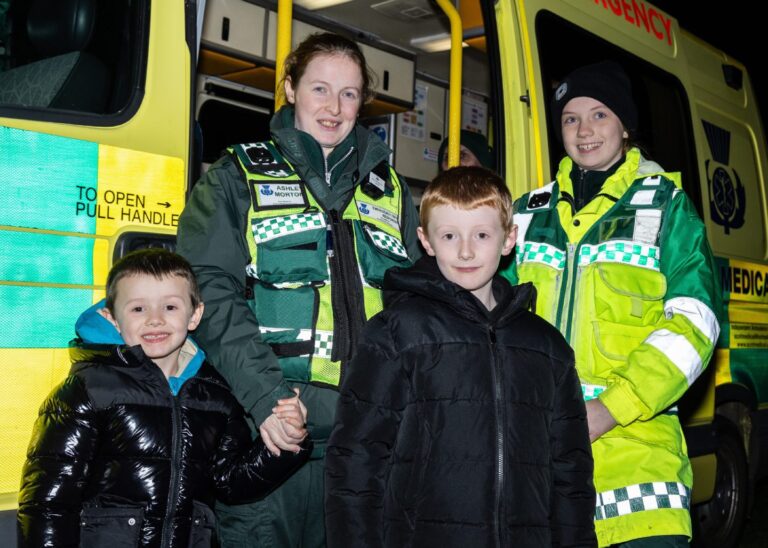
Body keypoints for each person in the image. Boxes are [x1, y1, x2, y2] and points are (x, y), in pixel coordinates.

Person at [177, 32, 421, 547]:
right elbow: (211, 295)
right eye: (320, 89)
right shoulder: (235, 176)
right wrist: (268, 399)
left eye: (350, 94)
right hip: (277, 430)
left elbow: (417, 305)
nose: (334, 108)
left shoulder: (393, 192)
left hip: (370, 437)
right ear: (289, 88)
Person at [501, 61, 720, 547]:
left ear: (625, 125)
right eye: (571, 118)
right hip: (539, 460)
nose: (584, 131)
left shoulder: (667, 207)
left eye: (600, 115)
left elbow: (696, 326)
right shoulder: (526, 212)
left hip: (638, 465)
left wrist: (609, 408)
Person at [325, 166, 596, 547]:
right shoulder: (396, 333)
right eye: (449, 235)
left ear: (509, 238)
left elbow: (572, 475)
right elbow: (356, 462)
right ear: (426, 240)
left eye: (482, 235)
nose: (466, 250)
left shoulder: (548, 348)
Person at [17, 249, 311, 548]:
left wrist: (285, 440)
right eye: (138, 309)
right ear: (112, 317)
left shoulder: (217, 396)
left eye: (170, 307)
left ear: (195, 314)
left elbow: (231, 483)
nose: (155, 320)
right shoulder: (89, 389)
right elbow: (48, 501)